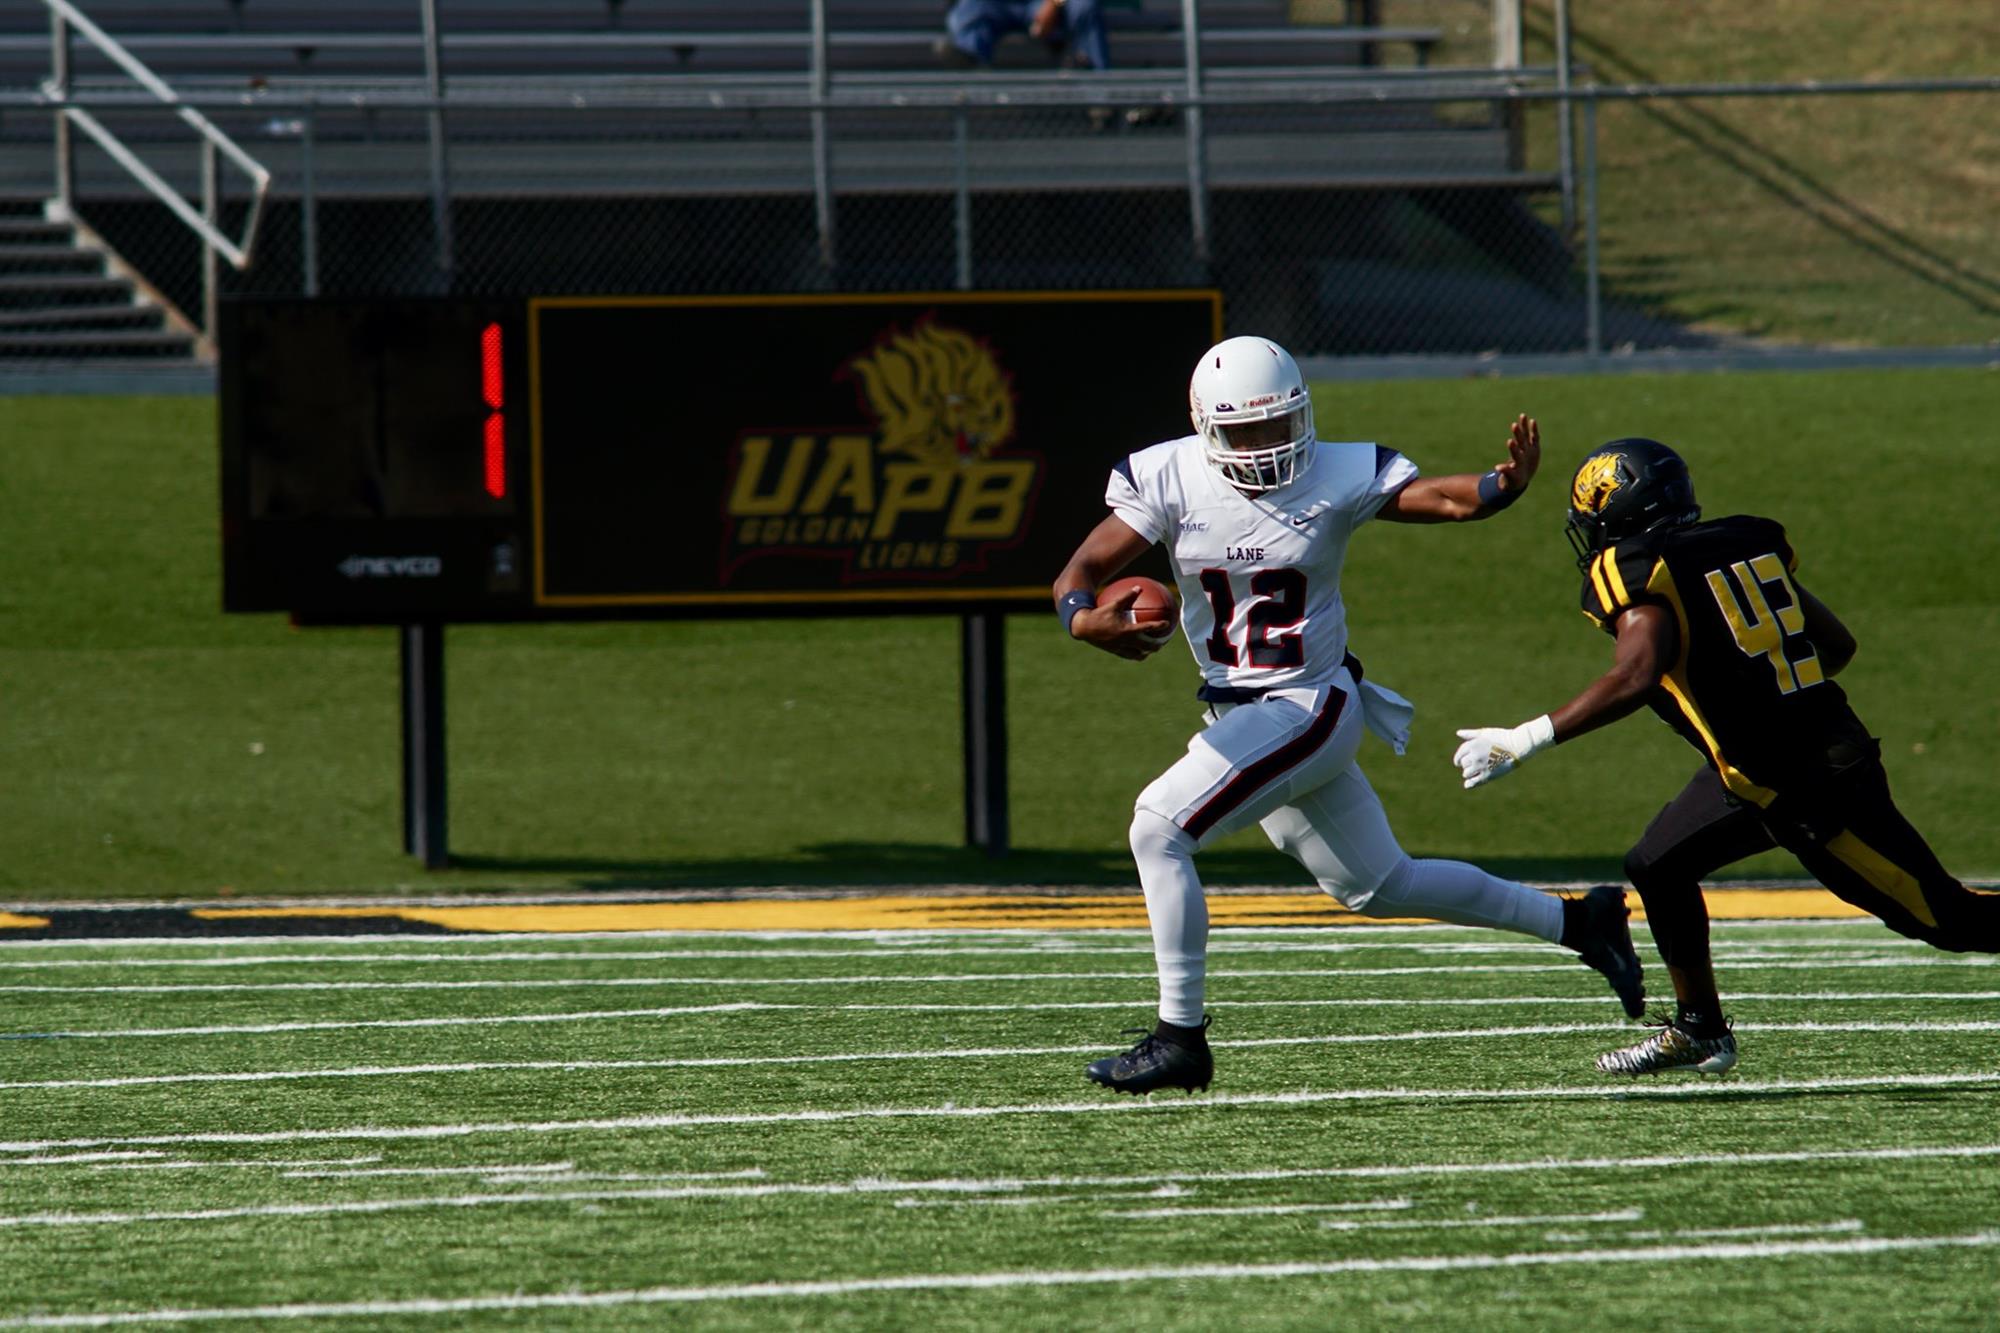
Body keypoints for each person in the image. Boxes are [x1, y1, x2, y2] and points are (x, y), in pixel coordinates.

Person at [1054, 335, 1645, 1096]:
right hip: (1245, 713)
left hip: (1307, 704)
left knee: (1157, 826)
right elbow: (1082, 571)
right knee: (1378, 885)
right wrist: (1081, 620)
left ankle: (1180, 1037)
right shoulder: (1168, 475)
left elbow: (1441, 496)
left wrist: (1503, 484)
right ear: (1205, 425)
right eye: (1247, 431)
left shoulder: (1333, 472)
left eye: (1280, 423)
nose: (1268, 446)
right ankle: (1582, 922)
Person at [1452, 436, 2000, 1077]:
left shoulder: (1637, 571)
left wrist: (1526, 737)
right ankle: (1699, 1030)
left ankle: (1703, 1028)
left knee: (1946, 917)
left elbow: (1634, 675)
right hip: (1764, 767)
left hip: (1809, 784)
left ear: (1619, 514)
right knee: (1657, 863)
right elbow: (1837, 645)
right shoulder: (1743, 541)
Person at [940, 0, 1111, 72]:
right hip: (999, 5)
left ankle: (1100, 95)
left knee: (1084, 6)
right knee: (966, 11)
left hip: (1044, 4)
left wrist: (1053, 4)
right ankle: (971, 74)